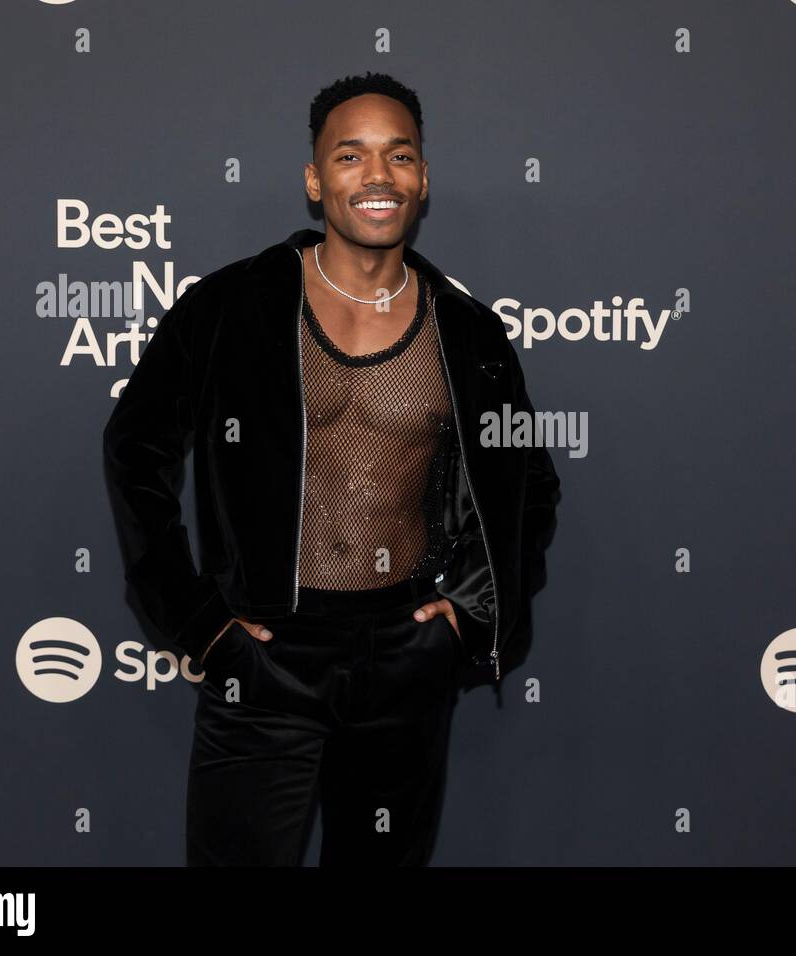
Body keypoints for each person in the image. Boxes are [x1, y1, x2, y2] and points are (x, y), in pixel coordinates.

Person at [101, 71, 561, 866]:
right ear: (316, 181)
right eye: (351, 156)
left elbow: (530, 486)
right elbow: (134, 450)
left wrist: (471, 618)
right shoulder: (229, 308)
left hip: (406, 656)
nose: (378, 177)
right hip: (264, 656)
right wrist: (201, 623)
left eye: (400, 156)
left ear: (423, 180)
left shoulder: (472, 336)